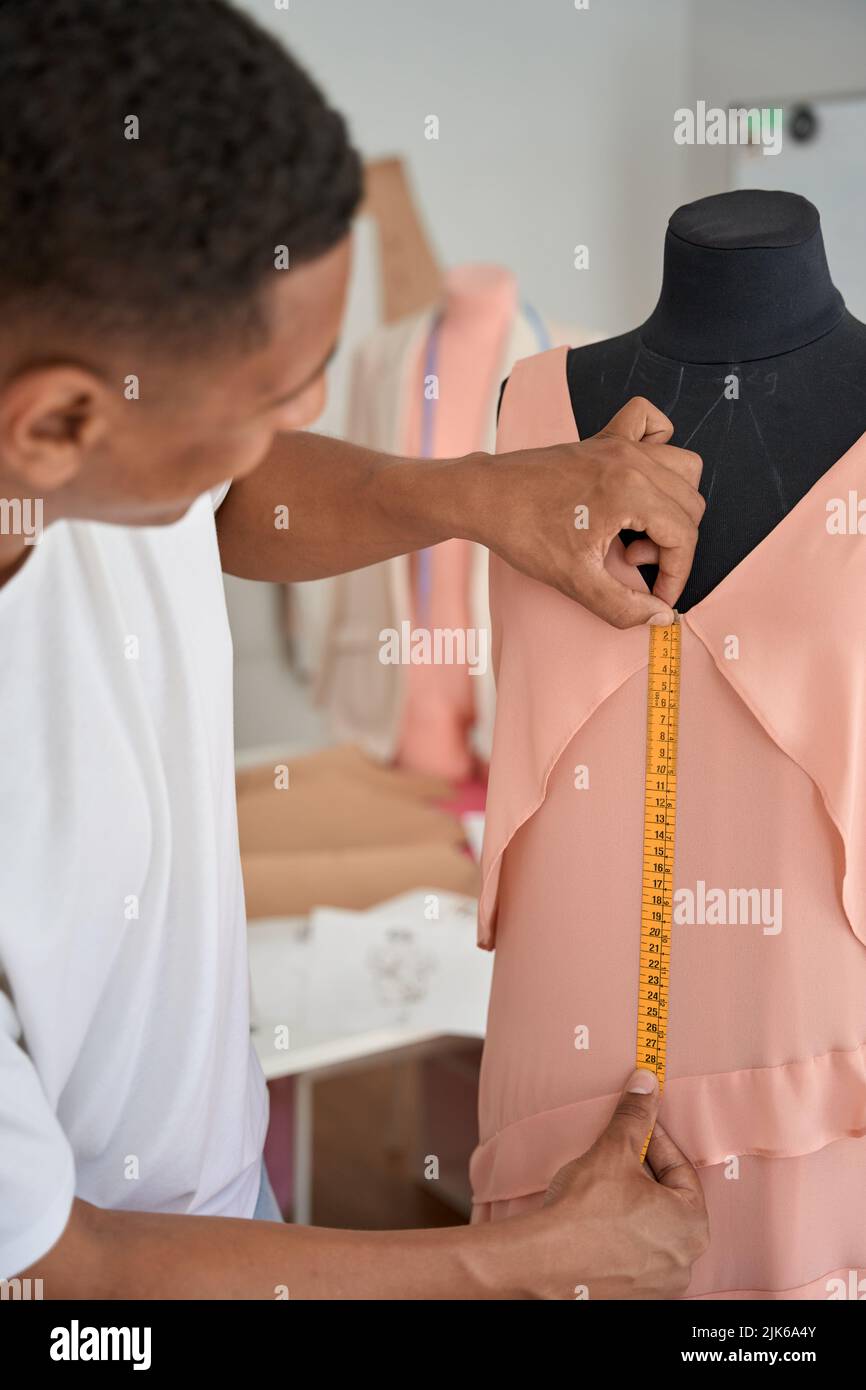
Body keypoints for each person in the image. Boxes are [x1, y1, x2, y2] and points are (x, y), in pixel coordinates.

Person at [0, 0, 707, 1299]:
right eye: (276, 393)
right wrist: (539, 1256)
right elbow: (60, 1268)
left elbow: (225, 502)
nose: (309, 413)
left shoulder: (97, 439)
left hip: (229, 1199)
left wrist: (481, 493)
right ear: (55, 427)